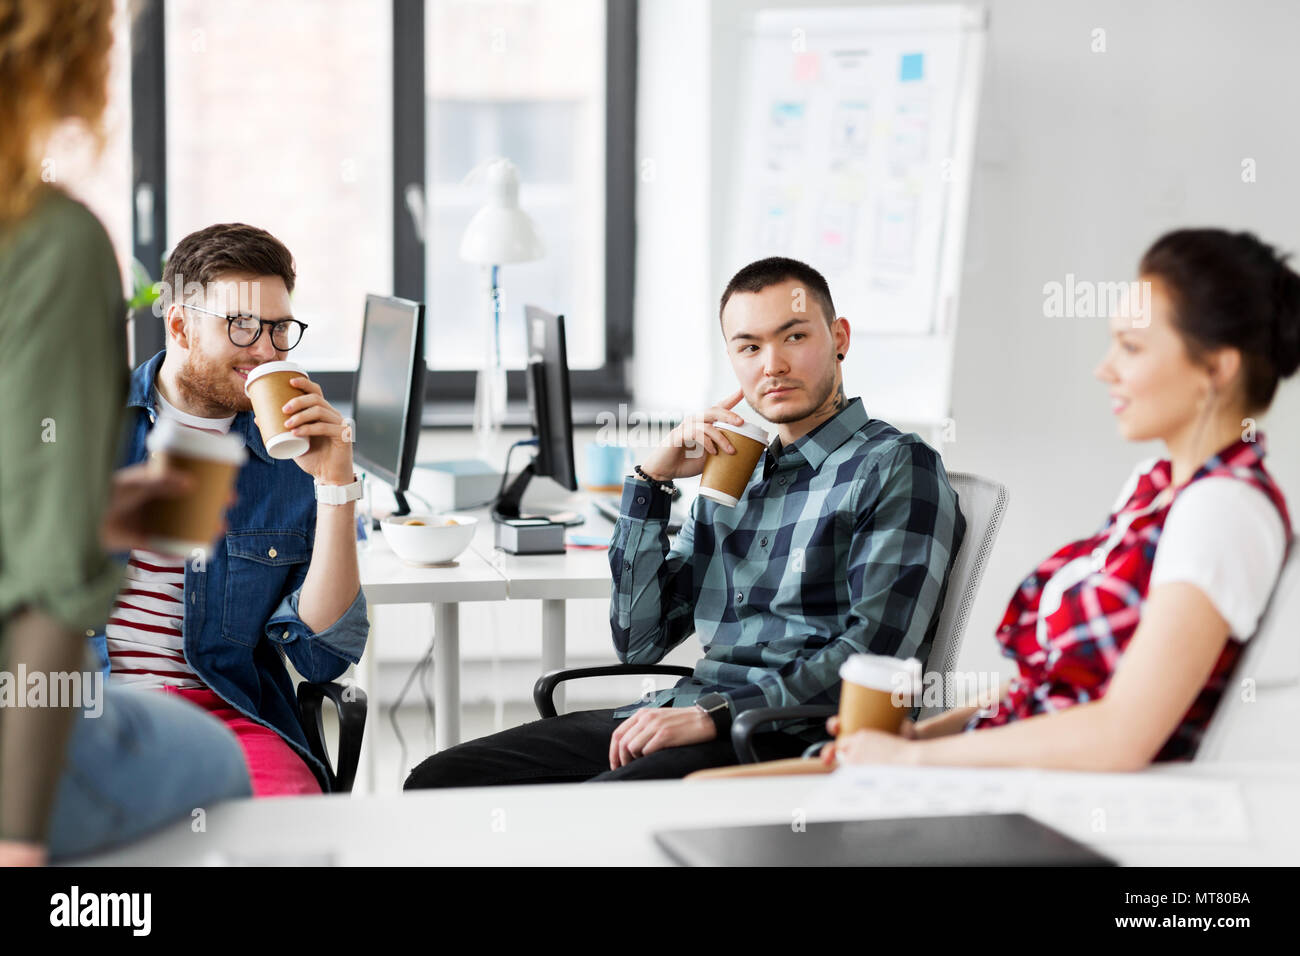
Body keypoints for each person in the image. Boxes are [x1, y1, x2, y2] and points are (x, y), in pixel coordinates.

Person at [406, 256, 965, 787]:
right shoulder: (735, 469)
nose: (772, 364)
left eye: (794, 336)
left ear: (838, 338)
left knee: (595, 812)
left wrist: (718, 714)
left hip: (785, 734)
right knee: (439, 780)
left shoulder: (894, 465)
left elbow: (874, 654)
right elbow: (640, 642)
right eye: (749, 346)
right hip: (686, 710)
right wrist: (651, 483)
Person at [826, 229, 1297, 771]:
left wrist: (913, 763)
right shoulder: (1158, 488)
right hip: (1016, 775)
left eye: (1132, 346)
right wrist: (920, 740)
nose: (1106, 368)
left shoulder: (1222, 512)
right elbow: (1048, 692)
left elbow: (1121, 735)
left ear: (1217, 369)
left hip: (1060, 801)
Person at [0, 0, 250, 867]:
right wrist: (18, 845)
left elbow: (329, 642)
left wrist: (88, 508)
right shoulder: (48, 241)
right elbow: (49, 587)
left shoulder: (278, 447)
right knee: (214, 762)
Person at [89, 222, 371, 796]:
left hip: (227, 712)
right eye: (242, 326)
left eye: (279, 328)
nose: (266, 350)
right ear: (180, 327)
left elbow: (322, 657)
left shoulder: (294, 457)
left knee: (290, 826)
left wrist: (336, 484)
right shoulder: (87, 424)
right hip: (89, 705)